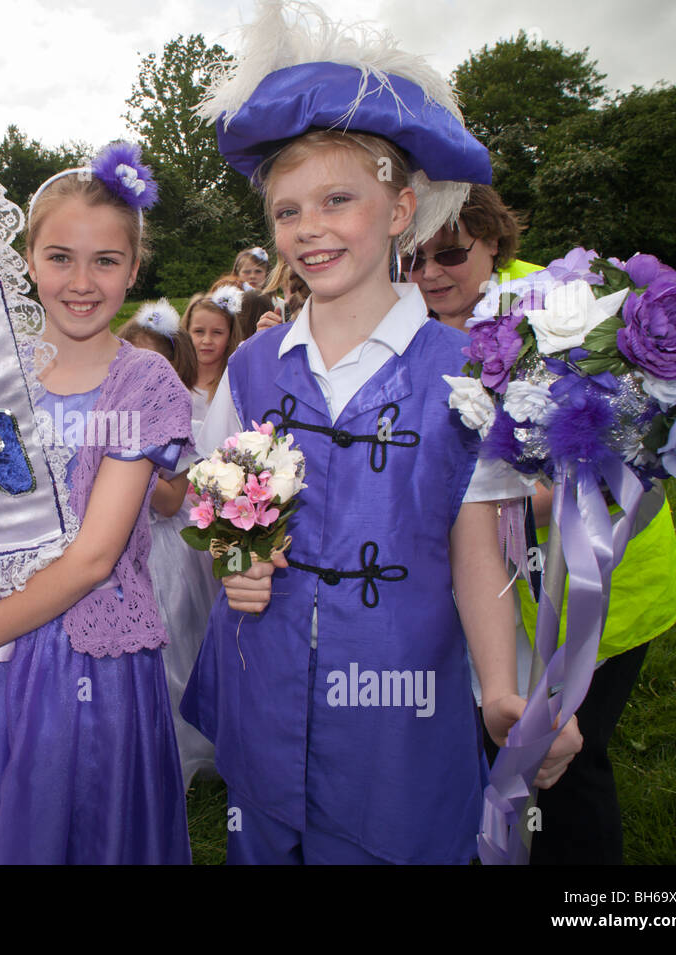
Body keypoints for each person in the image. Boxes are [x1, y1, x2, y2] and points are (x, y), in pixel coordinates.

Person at [179, 5, 582, 864]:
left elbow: (480, 548)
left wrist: (503, 689)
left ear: (401, 209)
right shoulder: (253, 366)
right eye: (287, 210)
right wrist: (235, 558)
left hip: (401, 713)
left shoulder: (467, 370)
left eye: (337, 200)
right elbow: (221, 496)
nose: (309, 227)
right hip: (267, 684)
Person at [0, 144, 193, 864]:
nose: (81, 281)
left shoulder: (144, 383)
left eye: (105, 261)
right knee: (3, 825)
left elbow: (95, 557)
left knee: (82, 833)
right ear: (28, 259)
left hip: (85, 660)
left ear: (133, 268)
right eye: (60, 256)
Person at [411, 184, 676, 864]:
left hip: (601, 588)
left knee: (566, 764)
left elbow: (607, 458)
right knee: (497, 748)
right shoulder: (413, 323)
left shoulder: (563, 313)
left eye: (448, 253)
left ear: (495, 240)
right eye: (408, 259)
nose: (427, 275)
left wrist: (462, 509)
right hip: (501, 593)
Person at [119, 301, 218, 788]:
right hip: (113, 551)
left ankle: (175, 755)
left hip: (163, 553)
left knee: (172, 648)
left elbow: (169, 501)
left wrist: (129, 464)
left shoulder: (173, 424)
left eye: (151, 368)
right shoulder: (101, 415)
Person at [404, 183, 542, 331]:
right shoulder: (395, 320)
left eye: (450, 254)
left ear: (492, 242)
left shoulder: (549, 303)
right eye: (412, 260)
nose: (429, 273)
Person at [182, 288, 242, 402]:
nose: (207, 340)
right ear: (186, 332)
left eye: (217, 332)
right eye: (199, 331)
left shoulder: (235, 387)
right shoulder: (173, 379)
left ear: (230, 337)